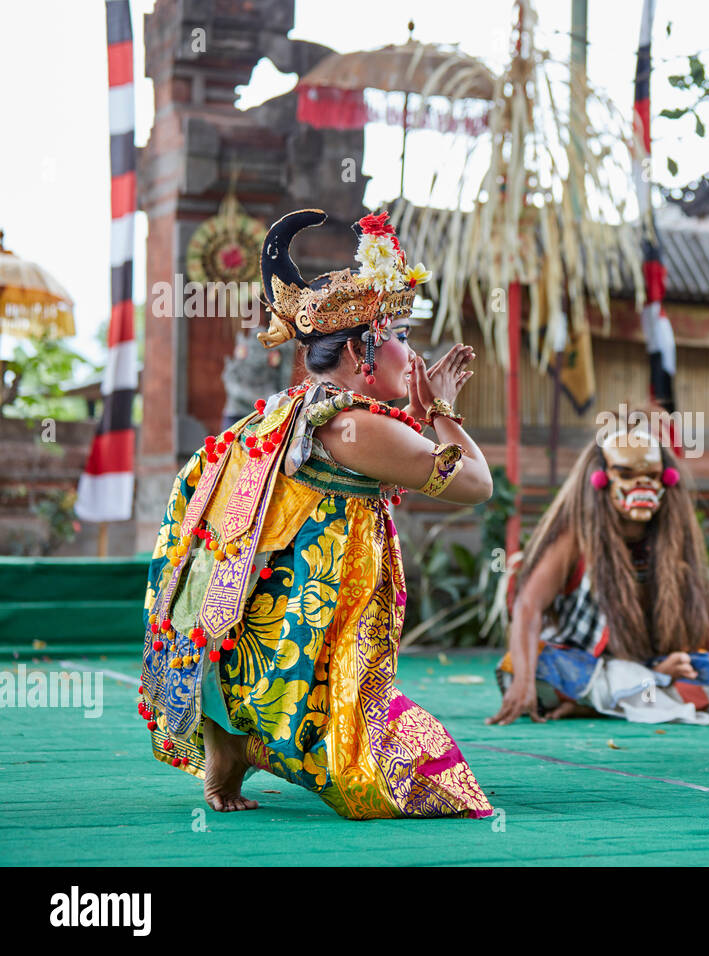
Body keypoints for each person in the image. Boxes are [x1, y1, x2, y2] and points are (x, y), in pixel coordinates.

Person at [139, 208, 495, 817]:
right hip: (323, 622)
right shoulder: (356, 425)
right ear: (363, 349)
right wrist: (441, 410)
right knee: (435, 779)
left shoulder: (288, 410)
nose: (410, 352)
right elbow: (476, 484)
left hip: (285, 625)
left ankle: (235, 734)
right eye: (400, 337)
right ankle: (271, 743)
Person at [487, 415, 709, 727]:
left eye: (651, 475)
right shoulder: (576, 536)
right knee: (519, 668)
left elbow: (702, 614)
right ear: (600, 477)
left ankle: (601, 702)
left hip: (653, 667)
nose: (642, 484)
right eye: (626, 473)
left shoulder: (672, 539)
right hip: (581, 667)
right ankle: (628, 694)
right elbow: (528, 606)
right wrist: (523, 684)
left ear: (667, 479)